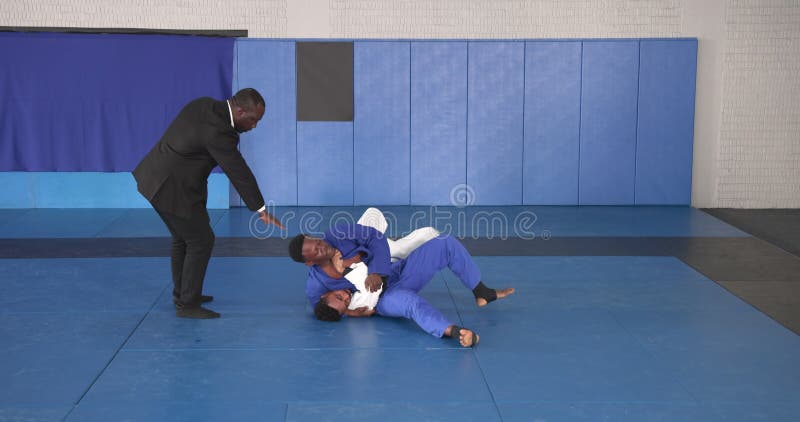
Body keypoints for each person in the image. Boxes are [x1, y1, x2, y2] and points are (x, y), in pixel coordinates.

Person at [133, 88, 282, 319]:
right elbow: (237, 170)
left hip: (156, 178)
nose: (254, 126)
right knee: (200, 240)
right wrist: (260, 208)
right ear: (240, 110)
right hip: (170, 188)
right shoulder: (220, 131)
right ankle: (188, 304)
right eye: (253, 120)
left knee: (184, 238)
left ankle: (183, 294)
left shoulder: (204, 104)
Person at [288, 211, 514, 347]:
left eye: (317, 241)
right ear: (309, 263)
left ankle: (481, 291)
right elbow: (323, 310)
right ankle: (454, 331)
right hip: (384, 300)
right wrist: (351, 312)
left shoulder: (337, 233)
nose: (322, 247)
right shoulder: (316, 285)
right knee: (409, 303)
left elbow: (375, 237)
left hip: (394, 272)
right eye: (316, 252)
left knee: (444, 242)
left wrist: (377, 271)